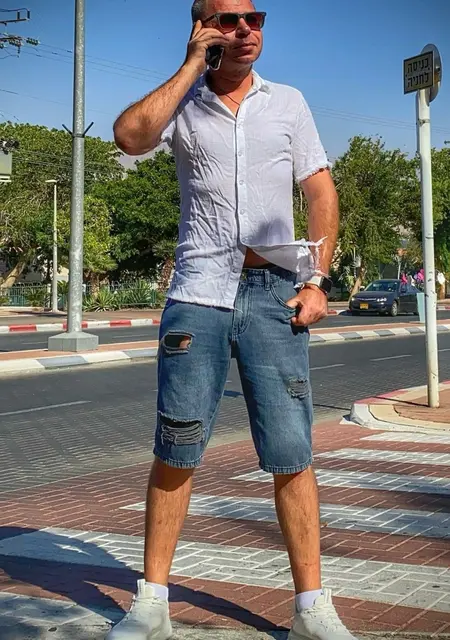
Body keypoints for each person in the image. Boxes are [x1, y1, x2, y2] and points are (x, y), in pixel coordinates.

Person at [109, 1, 354, 639]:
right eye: (228, 20)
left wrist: (318, 281)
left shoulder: (288, 103)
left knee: (292, 451)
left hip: (274, 293)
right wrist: (191, 65)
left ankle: (311, 609)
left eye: (254, 18)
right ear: (202, 28)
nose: (244, 30)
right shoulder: (183, 105)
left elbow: (320, 191)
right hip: (198, 292)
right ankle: (152, 605)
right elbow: (129, 136)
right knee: (177, 445)